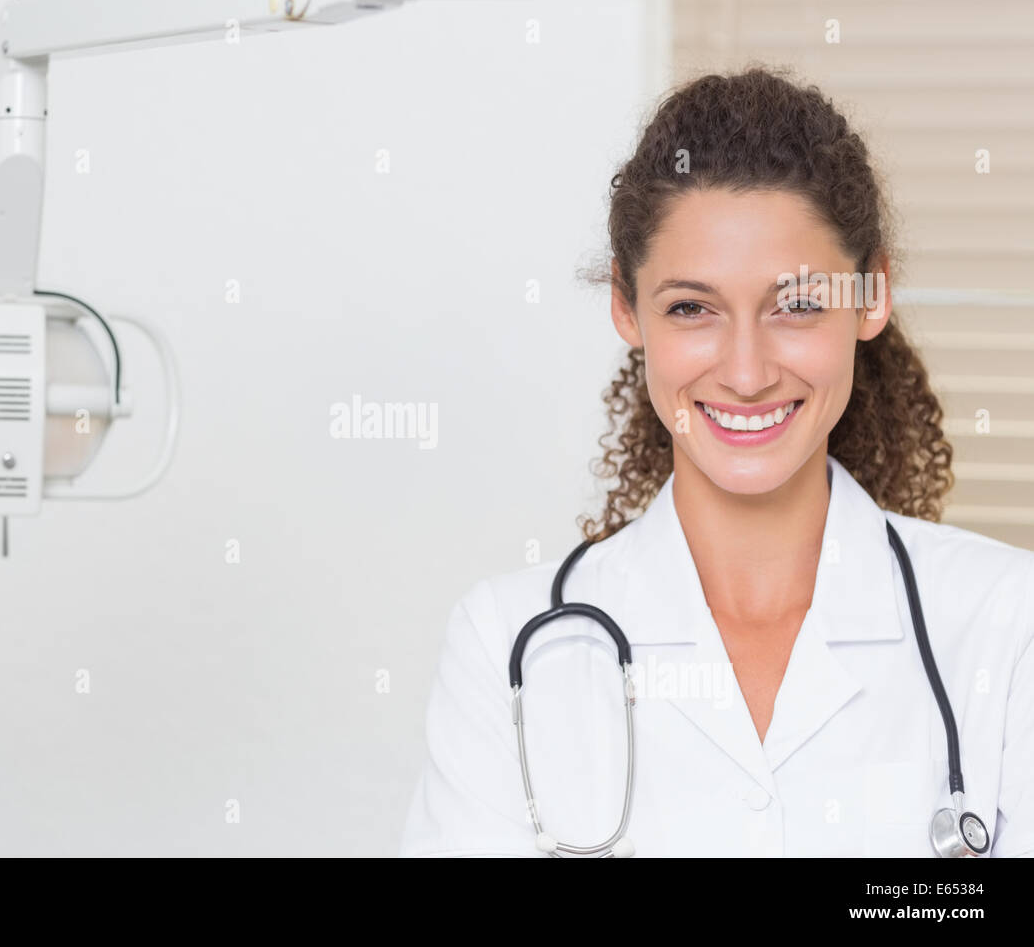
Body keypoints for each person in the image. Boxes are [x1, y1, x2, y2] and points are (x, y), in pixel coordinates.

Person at [398, 66, 1034, 857]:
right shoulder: (508, 643)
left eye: (797, 304)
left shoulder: (1007, 626)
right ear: (627, 312)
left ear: (870, 297)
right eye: (691, 308)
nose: (745, 371)